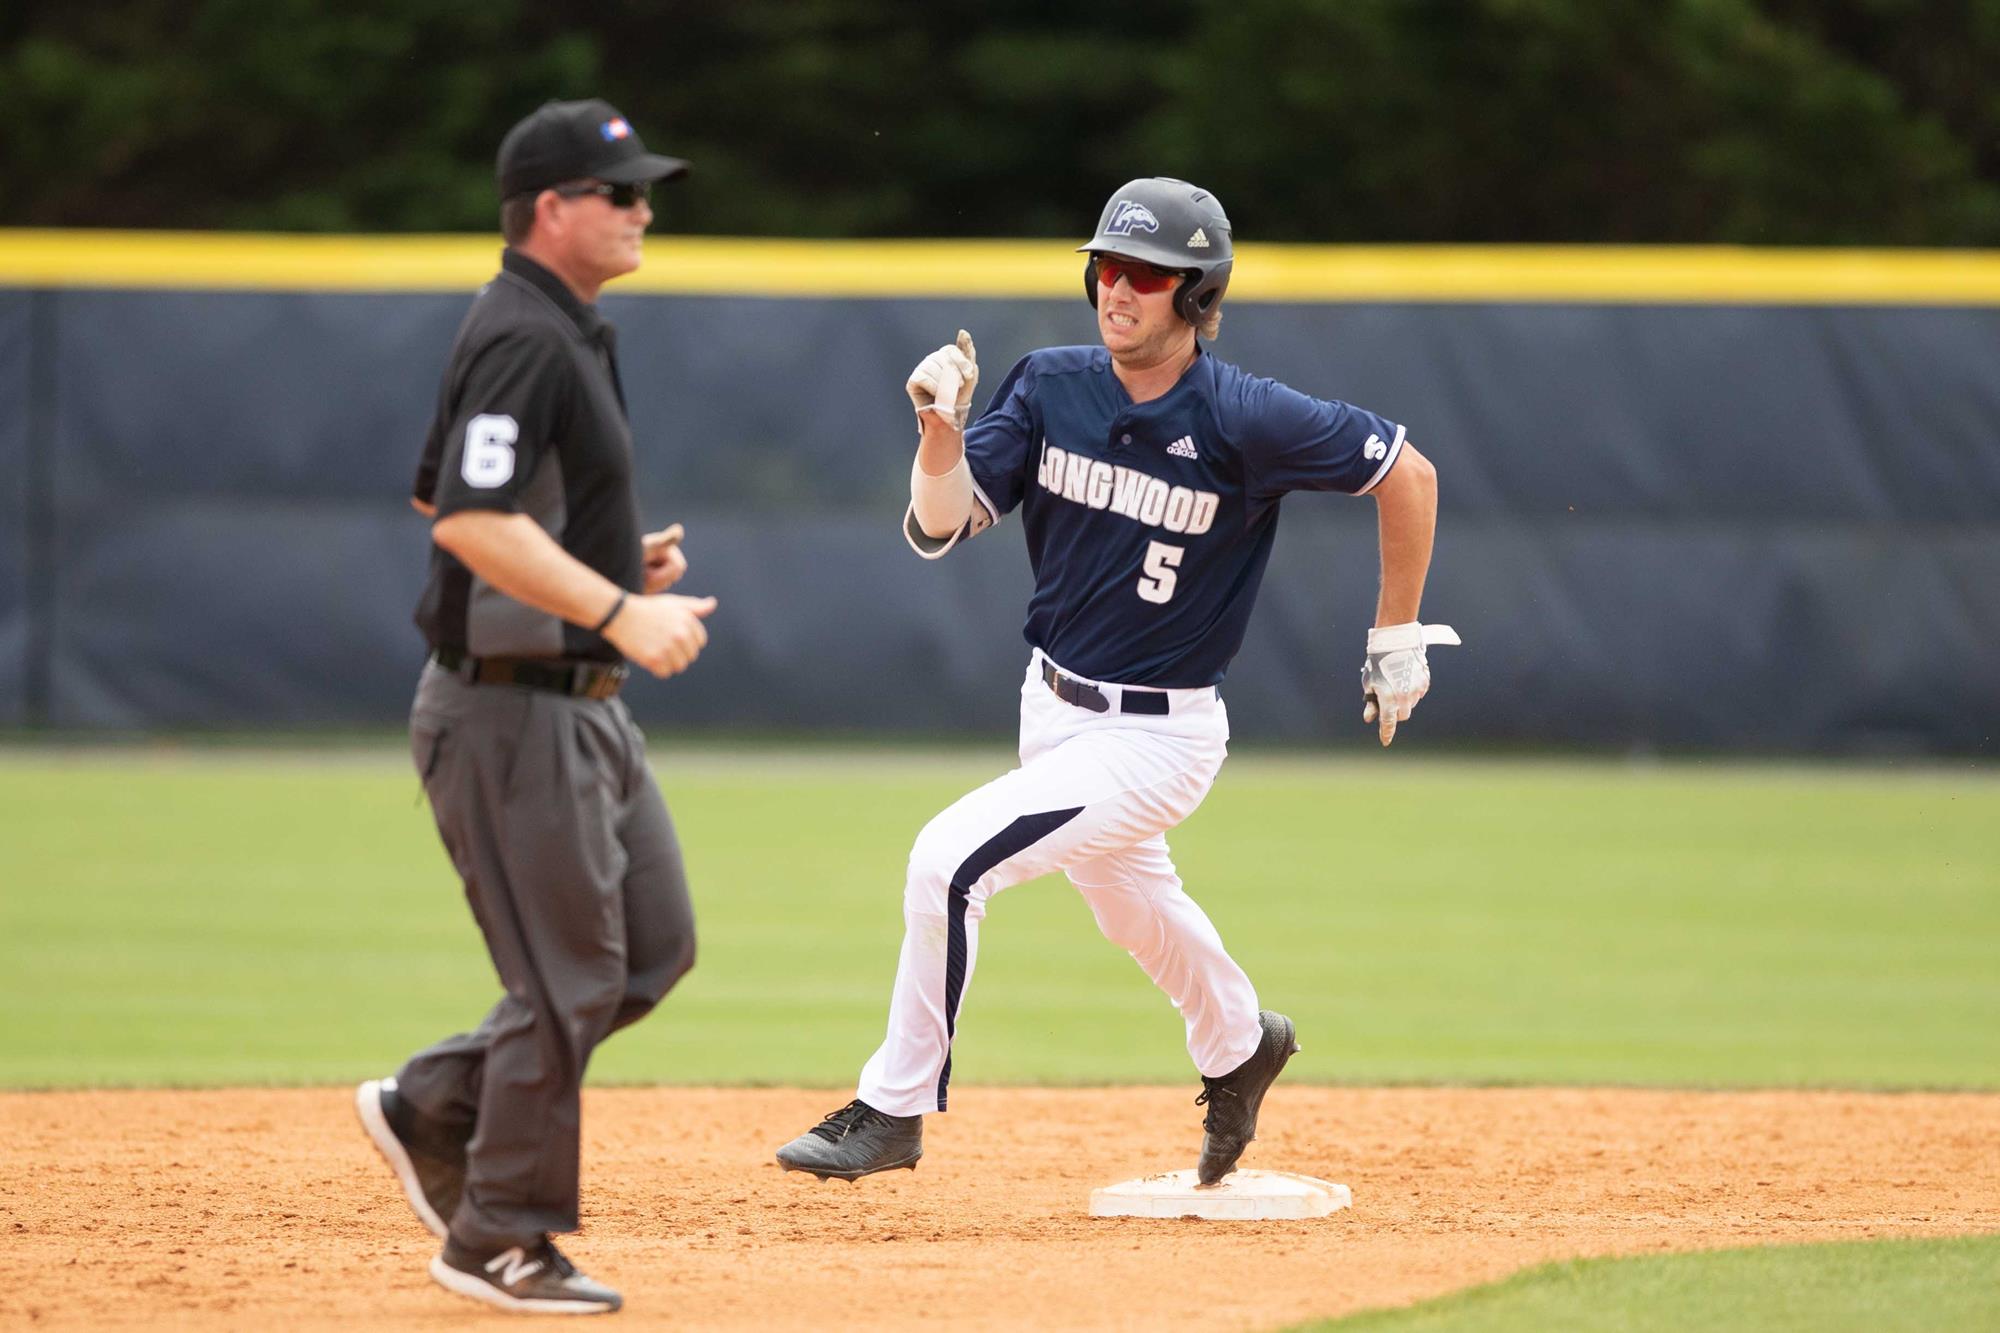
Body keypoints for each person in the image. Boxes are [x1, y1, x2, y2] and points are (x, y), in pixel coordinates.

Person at [774, 177, 1456, 1186]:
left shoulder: (1243, 415)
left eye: (1145, 272)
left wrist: (1393, 630)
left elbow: (1407, 473)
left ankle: (893, 1106)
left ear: (1195, 293)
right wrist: (937, 431)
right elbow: (936, 527)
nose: (1117, 288)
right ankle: (1239, 1043)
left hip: (1158, 736)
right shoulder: (1051, 385)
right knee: (1127, 897)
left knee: (946, 861)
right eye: (1105, 267)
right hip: (1049, 704)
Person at [353, 98, 717, 1316]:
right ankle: (496, 1236)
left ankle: (433, 1102)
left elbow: (440, 496)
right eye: (620, 193)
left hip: (576, 704)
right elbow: (463, 517)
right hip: (508, 709)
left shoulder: (566, 329)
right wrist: (613, 612)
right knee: (567, 978)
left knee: (651, 950)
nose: (642, 210)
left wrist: (608, 570)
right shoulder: (524, 333)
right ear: (550, 209)